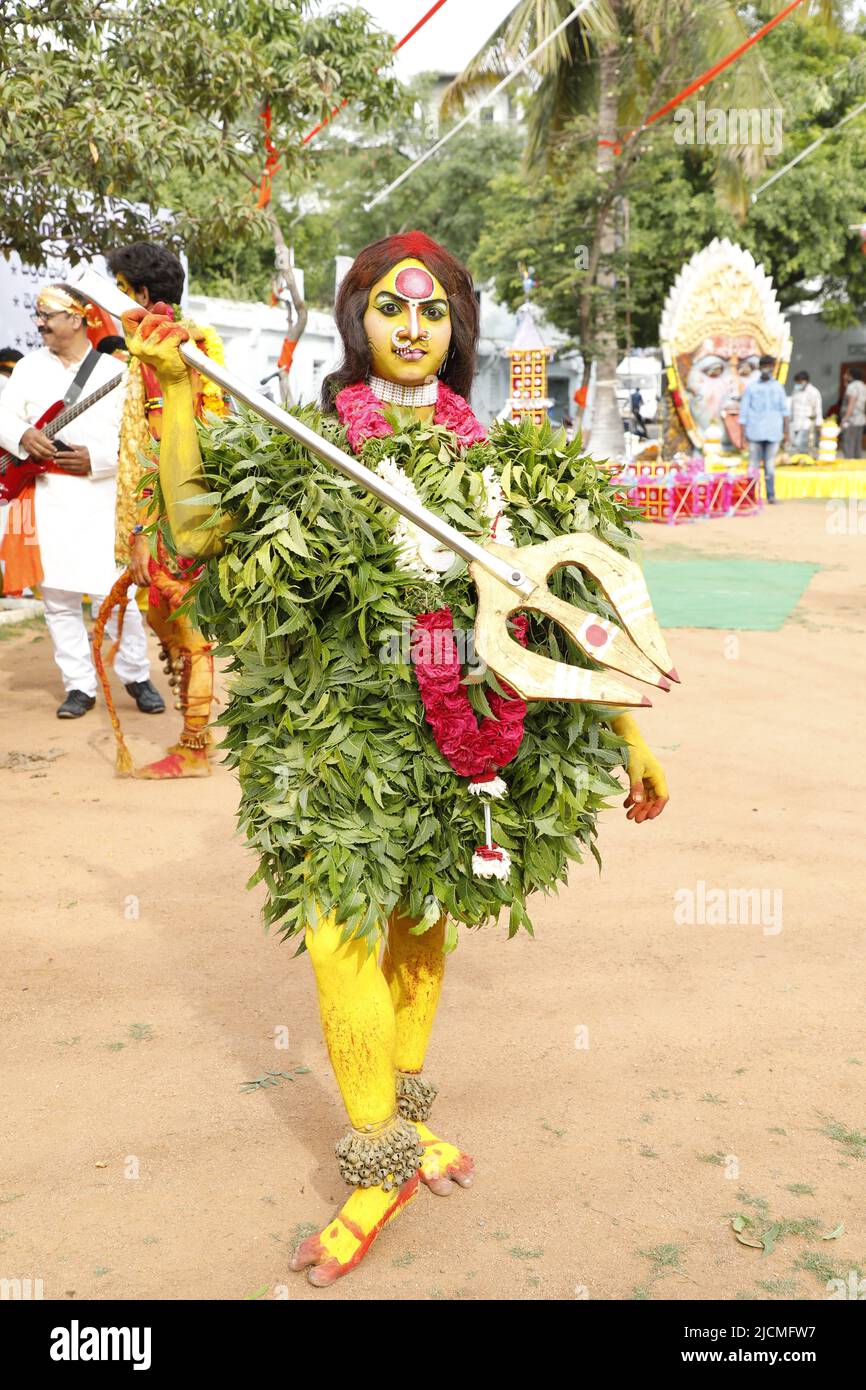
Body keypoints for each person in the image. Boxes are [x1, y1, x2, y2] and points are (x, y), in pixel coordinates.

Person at [120, 231, 672, 1286]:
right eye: (388, 308)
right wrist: (183, 396)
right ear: (358, 320)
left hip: (466, 723)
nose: (410, 328)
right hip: (340, 740)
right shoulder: (313, 437)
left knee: (422, 930)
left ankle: (408, 1119)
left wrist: (628, 730)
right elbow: (196, 528)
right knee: (338, 935)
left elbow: (562, 612)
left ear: (454, 328)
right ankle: (377, 1159)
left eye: (429, 312)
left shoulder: (502, 459)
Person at [0, 285, 163, 718]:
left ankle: (136, 676)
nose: (39, 323)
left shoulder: (117, 371)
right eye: (36, 315)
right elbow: (3, 415)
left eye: (47, 314)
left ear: (77, 318)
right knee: (58, 599)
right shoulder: (29, 369)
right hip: (48, 499)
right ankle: (79, 686)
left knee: (116, 596)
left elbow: (137, 439)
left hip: (102, 500)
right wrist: (21, 436)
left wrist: (99, 460)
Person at [103, 242, 227, 777]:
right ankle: (192, 731)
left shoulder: (160, 346)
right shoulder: (191, 339)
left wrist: (141, 528)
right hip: (187, 503)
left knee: (187, 624)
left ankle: (195, 746)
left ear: (143, 292)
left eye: (121, 289)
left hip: (174, 510)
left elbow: (159, 446)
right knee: (168, 615)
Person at [738, 353, 790, 505]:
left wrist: (786, 433)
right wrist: (742, 437)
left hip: (774, 433)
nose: (767, 369)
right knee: (753, 465)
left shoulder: (778, 388)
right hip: (754, 433)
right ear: (760, 368)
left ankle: (771, 495)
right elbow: (743, 413)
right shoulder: (751, 388)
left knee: (769, 465)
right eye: (764, 366)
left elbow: (785, 412)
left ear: (773, 369)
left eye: (770, 367)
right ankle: (749, 496)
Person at [789, 371, 822, 455]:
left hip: (806, 423)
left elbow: (817, 408)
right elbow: (792, 406)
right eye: (797, 382)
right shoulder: (796, 391)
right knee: (795, 444)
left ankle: (803, 460)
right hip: (795, 422)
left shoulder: (813, 392)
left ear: (806, 381)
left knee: (799, 444)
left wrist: (818, 423)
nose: (798, 384)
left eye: (800, 382)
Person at [839, 367, 866, 460]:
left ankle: (848, 465)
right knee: (857, 444)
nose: (844, 376)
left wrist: (845, 419)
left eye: (846, 374)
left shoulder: (852, 387)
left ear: (851, 375)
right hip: (861, 420)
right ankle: (858, 468)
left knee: (848, 443)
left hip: (852, 420)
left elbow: (851, 403)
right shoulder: (863, 385)